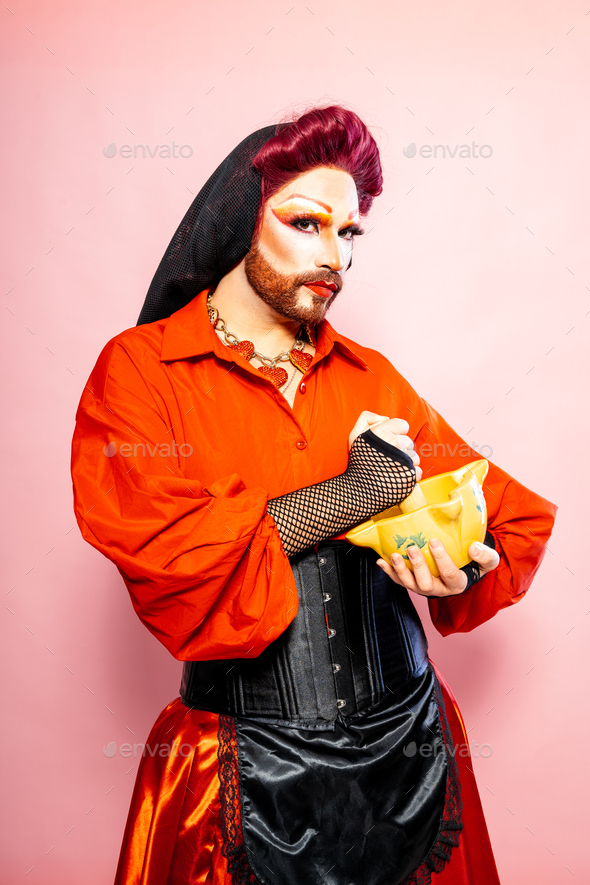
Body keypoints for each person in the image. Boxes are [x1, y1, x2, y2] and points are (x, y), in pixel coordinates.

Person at [71, 105, 557, 885]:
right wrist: (354, 492)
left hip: (412, 760)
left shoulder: (371, 376)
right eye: (307, 223)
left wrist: (460, 564)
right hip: (234, 772)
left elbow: (496, 511)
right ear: (238, 220)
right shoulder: (140, 373)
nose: (336, 256)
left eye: (351, 232)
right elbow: (172, 560)